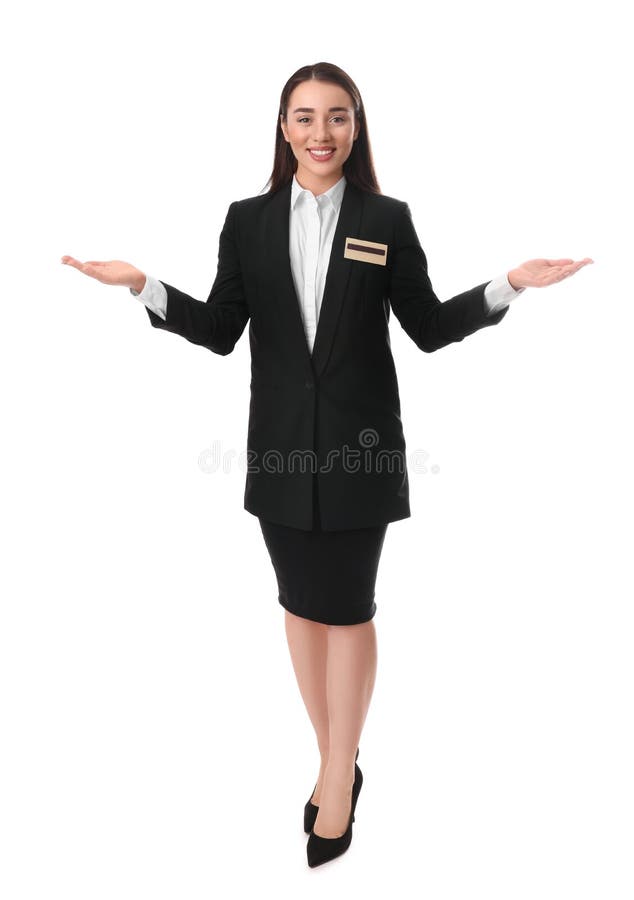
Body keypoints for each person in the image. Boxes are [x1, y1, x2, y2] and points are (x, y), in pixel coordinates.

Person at [61, 61, 593, 867]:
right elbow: (219, 329)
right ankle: (335, 758)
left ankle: (337, 778)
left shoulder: (387, 215)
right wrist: (144, 287)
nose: (321, 132)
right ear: (283, 127)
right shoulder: (246, 219)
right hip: (277, 450)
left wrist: (506, 286)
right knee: (301, 607)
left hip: (360, 450)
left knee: (347, 608)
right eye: (305, 117)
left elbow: (427, 326)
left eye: (337, 116)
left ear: (356, 125)